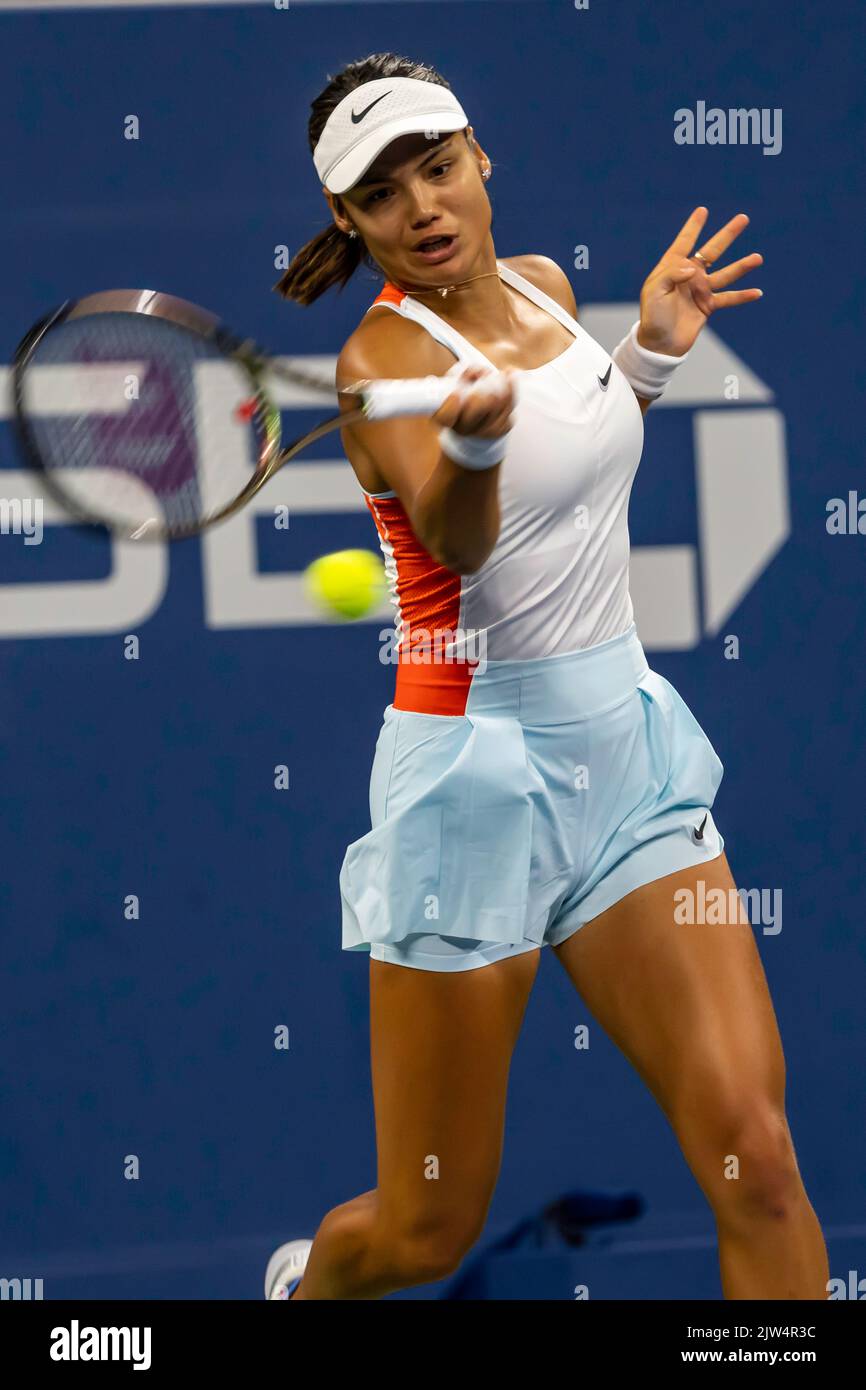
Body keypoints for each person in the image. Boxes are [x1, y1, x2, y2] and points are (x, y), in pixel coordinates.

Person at [264, 51, 828, 1301]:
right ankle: (305, 1286)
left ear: (478, 159)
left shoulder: (550, 287)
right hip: (473, 781)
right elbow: (459, 540)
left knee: (757, 1156)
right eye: (381, 194)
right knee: (422, 1234)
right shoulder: (377, 364)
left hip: (625, 764)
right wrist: (467, 443)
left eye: (437, 165)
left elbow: (582, 461)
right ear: (348, 224)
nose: (421, 207)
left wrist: (651, 357)